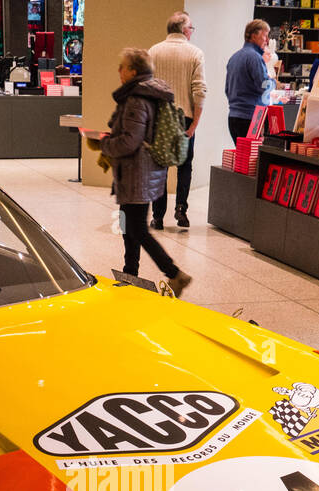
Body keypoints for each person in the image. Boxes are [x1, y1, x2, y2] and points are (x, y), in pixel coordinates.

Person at [93, 48, 192, 297]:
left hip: (137, 173)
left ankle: (175, 274)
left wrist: (103, 143)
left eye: (122, 67)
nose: (119, 71)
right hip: (139, 173)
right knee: (129, 226)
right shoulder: (148, 93)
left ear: (134, 71)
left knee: (137, 229)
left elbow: (130, 141)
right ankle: (130, 275)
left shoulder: (137, 99)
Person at [149, 11, 206, 230]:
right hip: (184, 117)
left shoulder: (153, 52)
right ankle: (181, 209)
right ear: (184, 30)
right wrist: (195, 123)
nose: (192, 32)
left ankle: (158, 217)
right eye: (191, 28)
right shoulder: (195, 53)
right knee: (184, 165)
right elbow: (199, 90)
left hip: (159, 117)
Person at [226, 19, 274, 141]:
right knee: (254, 159)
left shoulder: (234, 57)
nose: (267, 41)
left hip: (233, 117)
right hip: (251, 118)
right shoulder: (255, 58)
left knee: (242, 157)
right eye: (265, 36)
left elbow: (227, 89)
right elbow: (263, 86)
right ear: (254, 36)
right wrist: (273, 83)